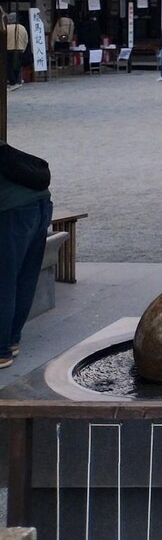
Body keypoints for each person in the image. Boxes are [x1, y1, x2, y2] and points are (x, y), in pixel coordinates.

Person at [0, 139, 53, 370]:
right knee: (25, 277)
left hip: (13, 212)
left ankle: (1, 351)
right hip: (40, 204)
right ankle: (11, 341)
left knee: (4, 281)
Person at [4, 14, 28, 88]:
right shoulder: (22, 28)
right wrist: (23, 48)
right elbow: (26, 40)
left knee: (8, 66)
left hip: (8, 49)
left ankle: (13, 81)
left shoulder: (6, 28)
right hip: (20, 49)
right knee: (17, 65)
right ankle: (17, 80)